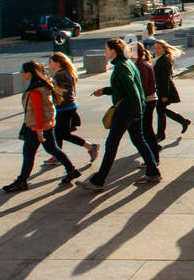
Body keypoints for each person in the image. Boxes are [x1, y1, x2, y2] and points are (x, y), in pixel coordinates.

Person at [79, 38, 160, 191]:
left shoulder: (121, 67)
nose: (105, 51)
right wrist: (105, 90)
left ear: (113, 50)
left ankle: (99, 180)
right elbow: (127, 88)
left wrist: (137, 112)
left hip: (126, 110)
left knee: (112, 144)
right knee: (138, 140)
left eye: (106, 48)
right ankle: (153, 171)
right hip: (133, 108)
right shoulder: (128, 63)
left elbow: (132, 90)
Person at [4, 62, 79, 192]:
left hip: (37, 128)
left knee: (28, 154)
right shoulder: (43, 85)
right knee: (53, 149)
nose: (21, 74)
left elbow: (38, 112)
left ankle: (21, 181)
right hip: (46, 126)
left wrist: (39, 131)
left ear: (30, 73)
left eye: (23, 71)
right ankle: (71, 170)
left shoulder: (35, 90)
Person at [45, 52, 98, 168]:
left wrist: (47, 82)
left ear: (57, 63)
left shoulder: (60, 76)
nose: (48, 64)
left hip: (64, 108)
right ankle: (57, 155)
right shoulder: (64, 73)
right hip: (68, 107)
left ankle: (91, 147)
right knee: (58, 133)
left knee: (63, 134)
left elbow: (57, 92)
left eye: (50, 62)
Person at [152, 39, 191, 141]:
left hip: (166, 90)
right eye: (155, 48)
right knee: (161, 110)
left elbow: (165, 80)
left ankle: (161, 134)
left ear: (164, 49)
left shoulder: (164, 61)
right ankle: (182, 122)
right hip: (161, 89)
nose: (156, 50)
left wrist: (164, 95)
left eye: (159, 48)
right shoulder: (158, 59)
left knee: (161, 110)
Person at [134, 44, 162, 161]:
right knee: (146, 130)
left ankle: (153, 157)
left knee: (146, 131)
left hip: (147, 100)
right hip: (149, 99)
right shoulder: (142, 63)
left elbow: (143, 86)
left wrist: (139, 101)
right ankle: (154, 153)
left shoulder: (140, 65)